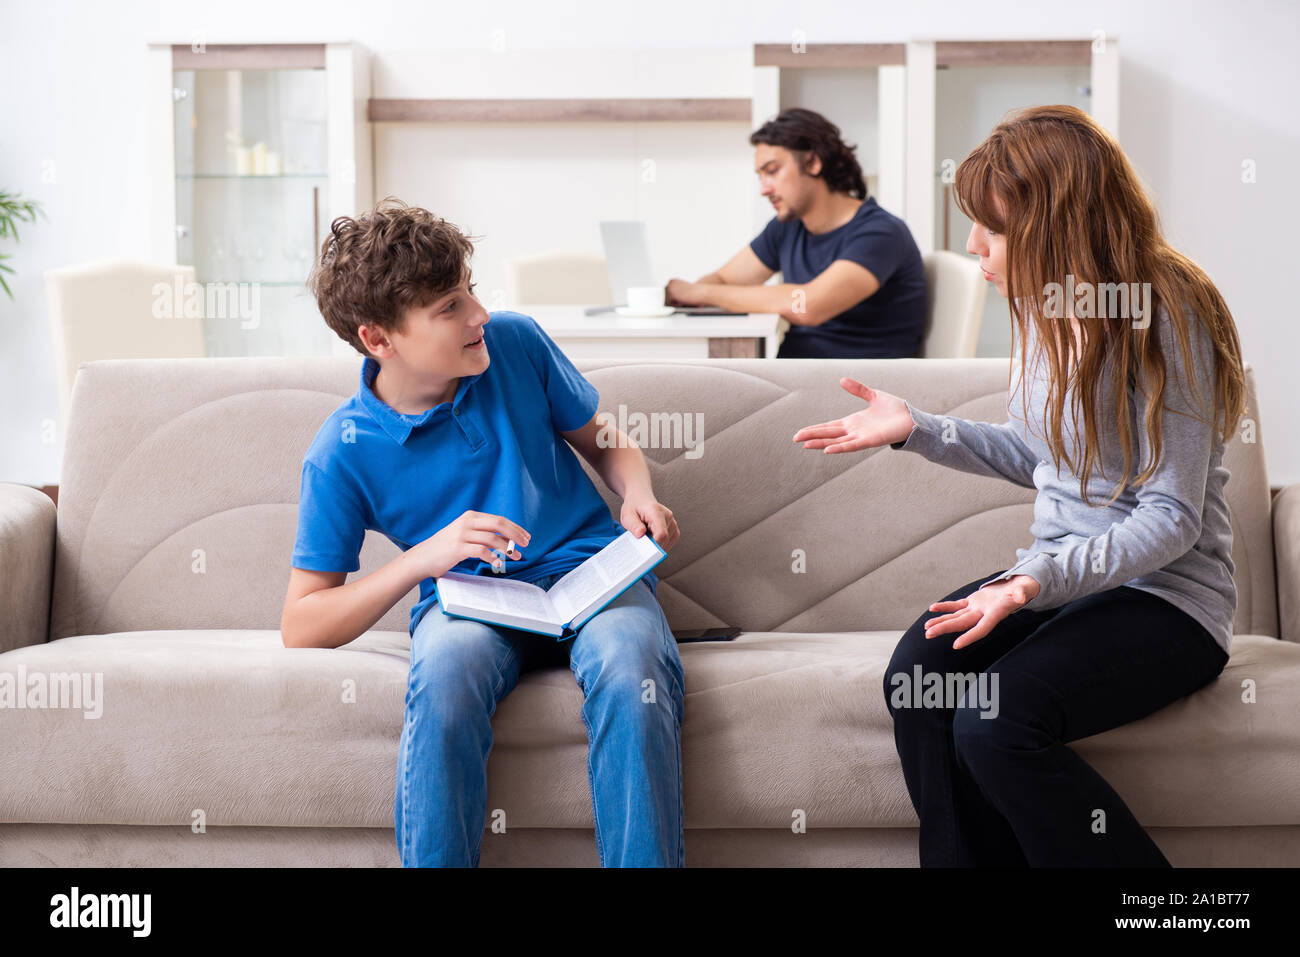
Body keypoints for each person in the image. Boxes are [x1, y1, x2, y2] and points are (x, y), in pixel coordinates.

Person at [792, 105, 1247, 867]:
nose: (973, 245)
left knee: (990, 721)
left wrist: (1032, 578)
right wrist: (918, 429)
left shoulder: (1168, 314)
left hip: (1166, 600)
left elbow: (1172, 518)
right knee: (918, 677)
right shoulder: (1043, 308)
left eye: (993, 229)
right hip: (1061, 581)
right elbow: (1045, 458)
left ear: (1057, 225)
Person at [282, 198, 685, 867]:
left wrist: (638, 491)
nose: (479, 315)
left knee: (631, 664)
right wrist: (422, 560)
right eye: (449, 307)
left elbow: (606, 439)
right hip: (469, 602)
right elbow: (302, 620)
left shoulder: (516, 344)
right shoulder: (342, 449)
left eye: (470, 290)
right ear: (378, 338)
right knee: (443, 676)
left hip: (589, 576)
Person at [665, 107, 926, 358]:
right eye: (761, 176)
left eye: (772, 171)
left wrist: (697, 293)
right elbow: (723, 279)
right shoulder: (788, 226)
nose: (764, 189)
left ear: (812, 163)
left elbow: (806, 305)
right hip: (799, 378)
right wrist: (698, 292)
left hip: (858, 387)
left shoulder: (881, 233)